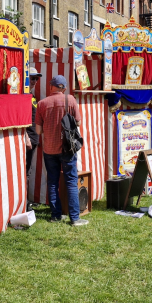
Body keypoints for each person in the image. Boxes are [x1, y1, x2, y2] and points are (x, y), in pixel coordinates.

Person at [35, 75, 88, 226]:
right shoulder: (70, 99)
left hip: (49, 149)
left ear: (51, 86)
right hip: (67, 148)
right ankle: (75, 218)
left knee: (52, 182)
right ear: (63, 88)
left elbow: (38, 131)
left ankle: (56, 215)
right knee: (71, 181)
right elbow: (77, 121)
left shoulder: (41, 104)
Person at [25, 68, 42, 211]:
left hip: (34, 137)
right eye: (32, 78)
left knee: (28, 170)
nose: (34, 81)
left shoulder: (31, 95)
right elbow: (22, 120)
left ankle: (27, 200)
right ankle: (23, 202)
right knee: (25, 171)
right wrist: (26, 137)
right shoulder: (24, 95)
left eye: (36, 79)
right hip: (28, 138)